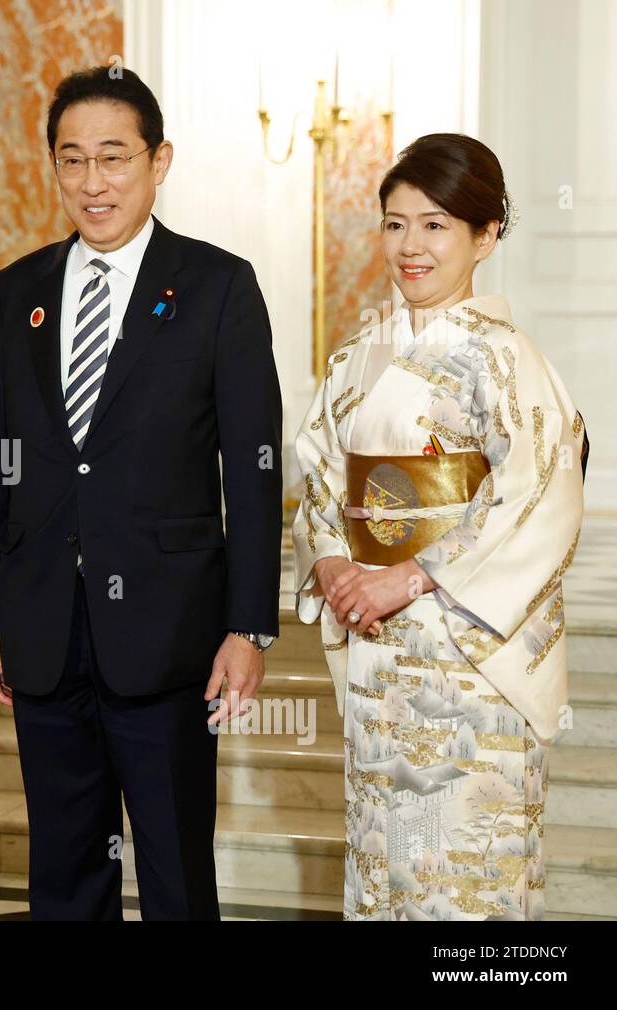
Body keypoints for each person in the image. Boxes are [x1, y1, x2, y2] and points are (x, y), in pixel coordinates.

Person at [0, 67, 283, 920]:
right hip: (41, 627)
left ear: (159, 159)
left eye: (114, 158)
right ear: (53, 167)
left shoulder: (219, 286)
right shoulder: (16, 290)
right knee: (63, 870)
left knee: (176, 870)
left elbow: (253, 471)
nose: (93, 183)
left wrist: (248, 625)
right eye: (73, 161)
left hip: (171, 632)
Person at [291, 133, 587, 920]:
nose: (410, 246)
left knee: (464, 875)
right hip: (377, 648)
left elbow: (539, 495)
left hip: (464, 656)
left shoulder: (505, 356)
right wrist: (330, 563)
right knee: (387, 861)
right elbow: (319, 471)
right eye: (395, 223)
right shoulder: (359, 351)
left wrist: (410, 574)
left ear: (485, 236)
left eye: (435, 225)